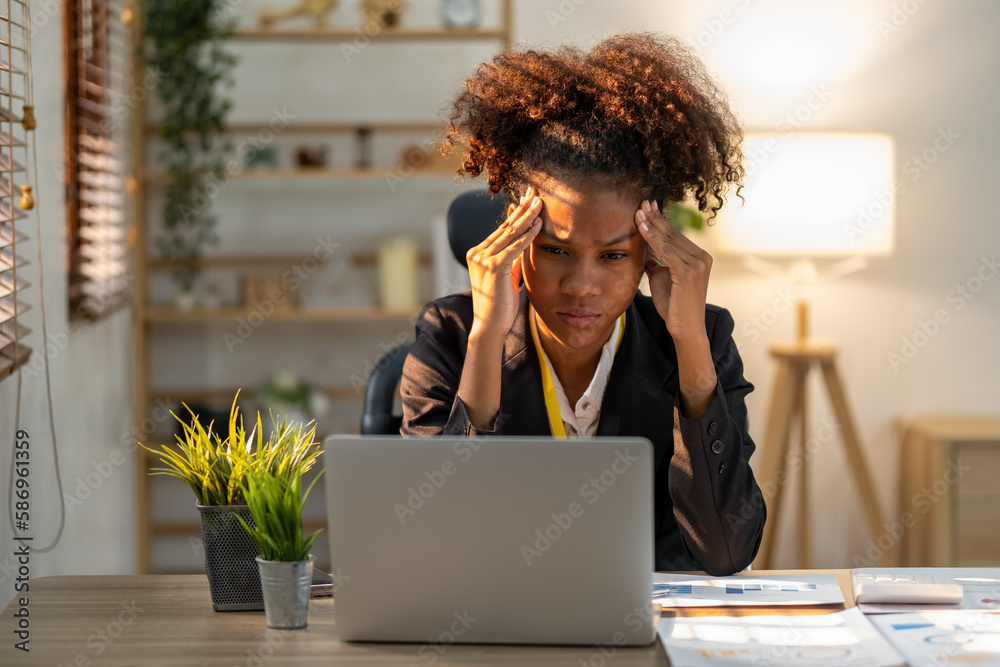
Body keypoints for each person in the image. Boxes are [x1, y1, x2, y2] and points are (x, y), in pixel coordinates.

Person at [400, 32, 765, 575]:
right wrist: (486, 343)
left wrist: (689, 346)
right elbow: (431, 545)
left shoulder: (700, 339)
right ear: (515, 239)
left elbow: (725, 552)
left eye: (614, 257)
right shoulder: (452, 334)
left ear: (652, 252)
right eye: (555, 250)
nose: (582, 285)